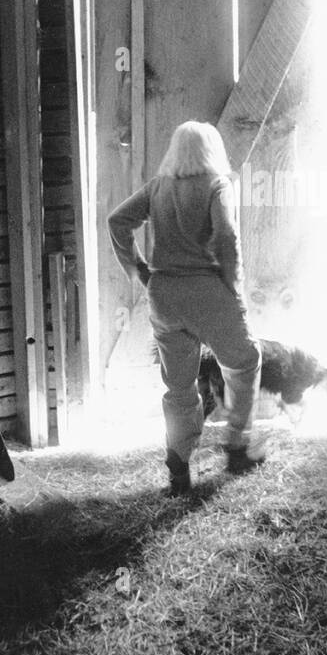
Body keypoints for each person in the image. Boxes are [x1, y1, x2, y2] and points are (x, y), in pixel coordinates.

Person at [107, 121, 263, 495]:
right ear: (213, 150)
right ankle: (238, 445)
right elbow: (226, 235)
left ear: (176, 151)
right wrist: (233, 283)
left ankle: (178, 464)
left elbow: (117, 221)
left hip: (164, 294)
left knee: (178, 386)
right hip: (208, 292)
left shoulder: (158, 186)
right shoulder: (217, 184)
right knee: (244, 362)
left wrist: (140, 270)